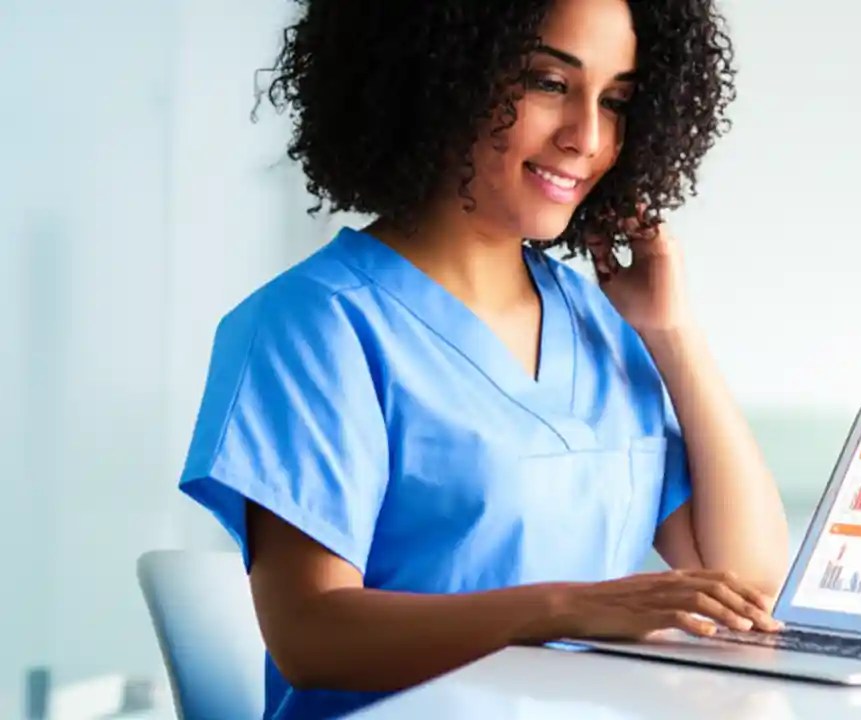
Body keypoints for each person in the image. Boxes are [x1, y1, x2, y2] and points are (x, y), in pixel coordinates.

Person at [178, 0, 789, 717]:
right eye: (548, 83)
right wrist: (565, 609)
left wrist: (674, 335)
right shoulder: (316, 323)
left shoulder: (597, 323)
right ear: (442, 74)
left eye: (616, 101)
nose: (588, 138)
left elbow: (746, 583)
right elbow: (311, 636)